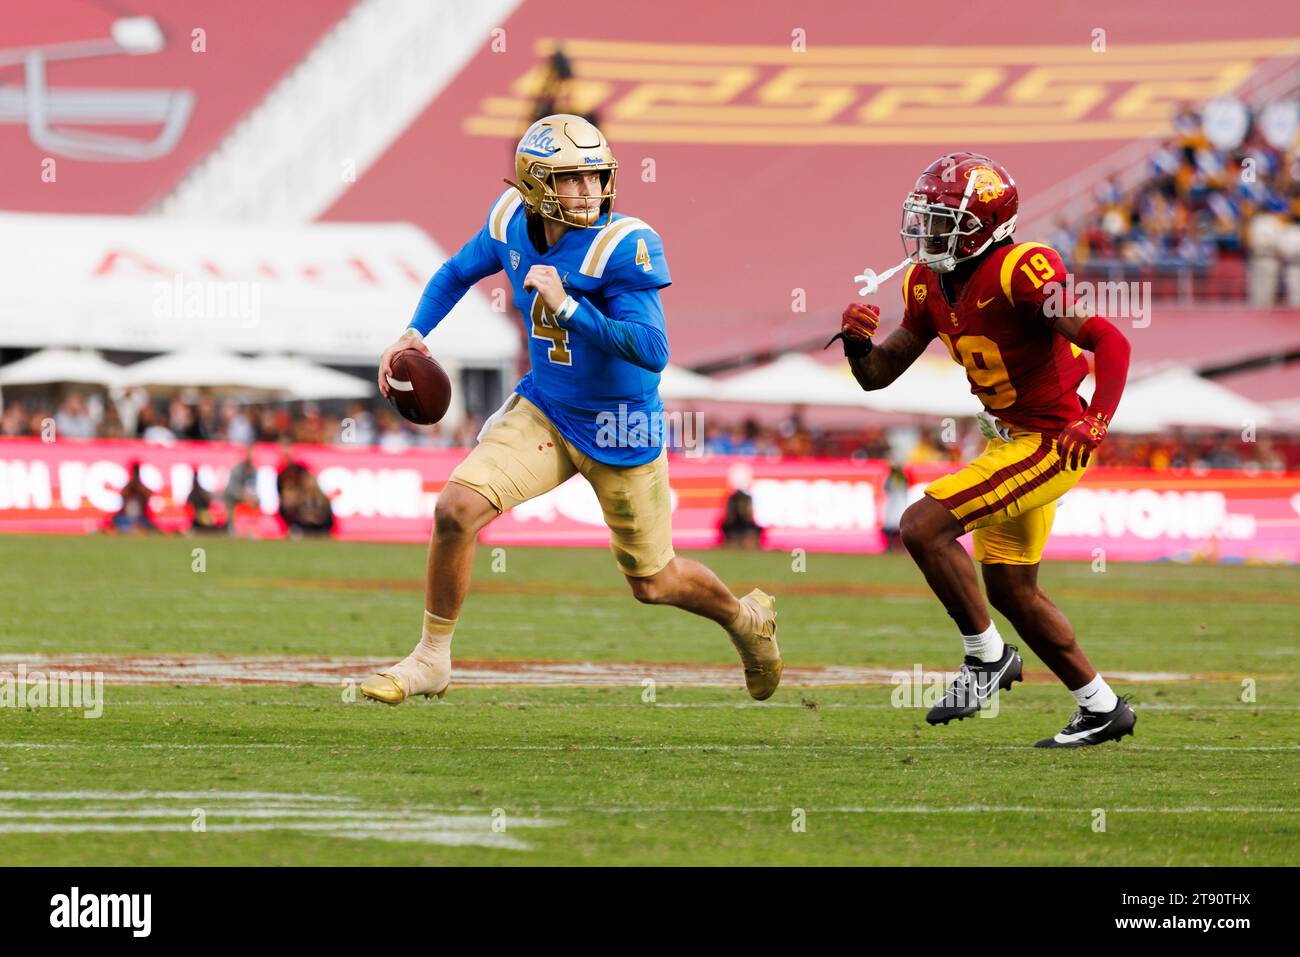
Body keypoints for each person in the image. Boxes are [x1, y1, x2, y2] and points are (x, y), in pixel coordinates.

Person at [364, 114, 781, 706]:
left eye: (596, 177)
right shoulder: (510, 220)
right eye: (572, 180)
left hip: (621, 427)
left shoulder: (624, 243)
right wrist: (413, 332)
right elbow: (457, 272)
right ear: (535, 184)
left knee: (654, 582)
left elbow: (654, 350)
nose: (590, 192)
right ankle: (432, 657)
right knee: (457, 509)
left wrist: (571, 309)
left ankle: (745, 621)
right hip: (548, 411)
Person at [830, 152, 1135, 748]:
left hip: (1051, 437)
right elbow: (881, 373)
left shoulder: (1022, 269)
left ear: (985, 223)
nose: (929, 231)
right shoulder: (927, 281)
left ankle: (984, 659)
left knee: (920, 525)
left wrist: (1097, 420)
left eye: (944, 220)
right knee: (1013, 592)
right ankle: (1101, 707)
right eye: (926, 218)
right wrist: (856, 345)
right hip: (1008, 437)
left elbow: (1110, 340)